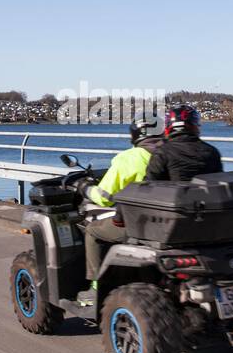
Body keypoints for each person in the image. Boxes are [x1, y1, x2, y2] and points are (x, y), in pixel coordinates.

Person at [81, 116, 165, 290]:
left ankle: (96, 287)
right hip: (166, 224)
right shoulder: (171, 153)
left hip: (139, 225)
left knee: (92, 231)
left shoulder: (129, 158)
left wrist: (85, 189)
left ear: (135, 135)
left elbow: (104, 196)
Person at [145, 103, 223, 181]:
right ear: (195, 126)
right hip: (205, 193)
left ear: (168, 127)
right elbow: (220, 185)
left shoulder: (161, 153)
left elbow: (148, 186)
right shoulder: (212, 152)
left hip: (171, 193)